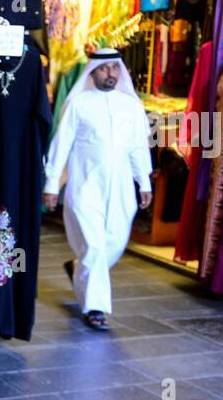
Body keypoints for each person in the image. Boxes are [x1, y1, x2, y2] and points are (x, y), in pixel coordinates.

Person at [42, 49, 153, 331]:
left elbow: (138, 147)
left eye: (115, 68)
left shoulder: (131, 106)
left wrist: (145, 182)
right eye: (104, 69)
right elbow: (61, 145)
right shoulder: (78, 103)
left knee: (112, 244)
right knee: (94, 245)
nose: (110, 74)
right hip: (84, 188)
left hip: (121, 191)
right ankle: (95, 309)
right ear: (93, 71)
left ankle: (79, 267)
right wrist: (52, 184)